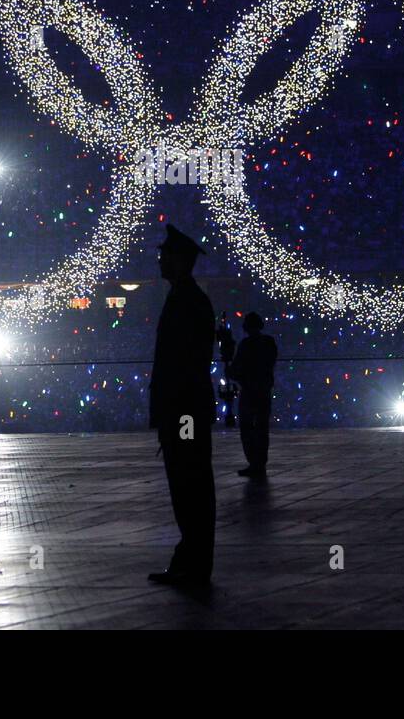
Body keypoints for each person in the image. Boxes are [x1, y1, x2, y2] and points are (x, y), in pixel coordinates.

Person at [147, 224, 217, 587]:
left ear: (179, 260)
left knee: (189, 484)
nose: (159, 260)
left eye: (164, 255)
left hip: (184, 409)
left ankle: (193, 562)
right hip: (186, 408)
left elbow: (182, 365)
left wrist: (173, 415)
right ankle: (191, 560)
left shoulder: (186, 301)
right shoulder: (188, 298)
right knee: (190, 485)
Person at [227, 312, 277, 477]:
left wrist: (232, 372)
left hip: (249, 391)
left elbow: (237, 369)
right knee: (262, 428)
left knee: (248, 428)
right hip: (263, 390)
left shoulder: (246, 345)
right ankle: (260, 463)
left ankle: (254, 462)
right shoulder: (269, 343)